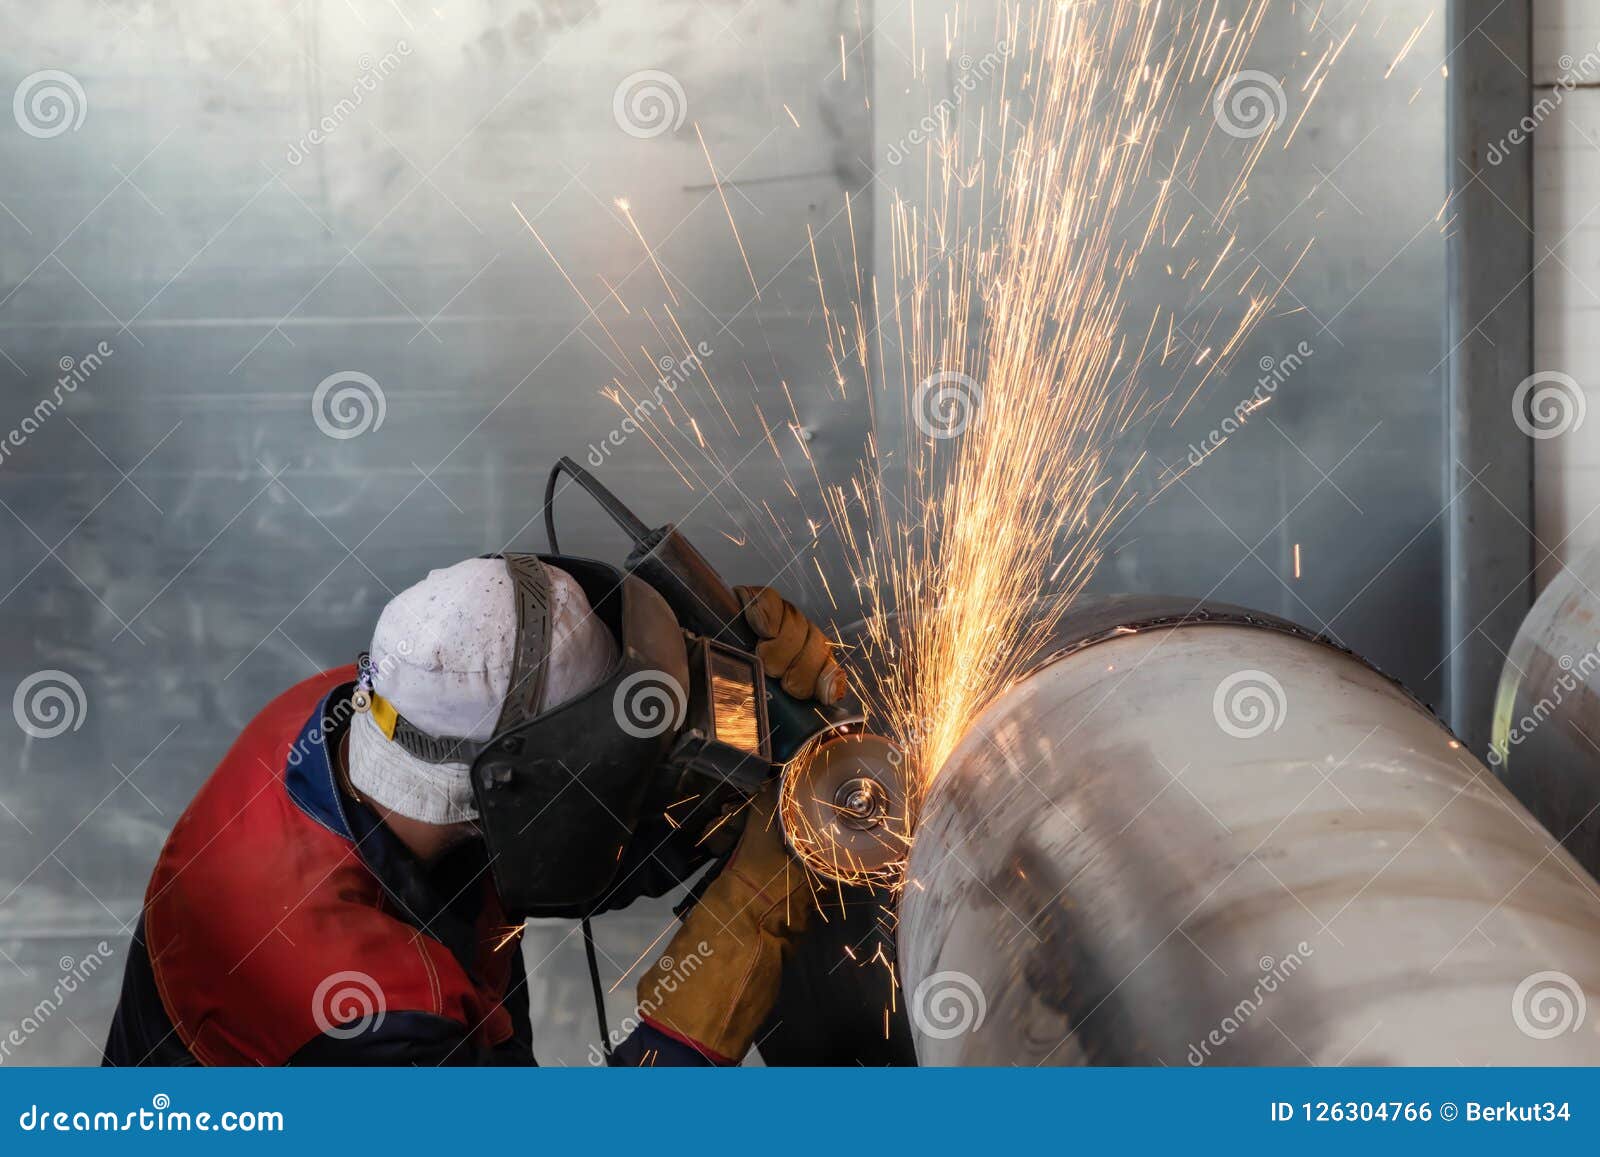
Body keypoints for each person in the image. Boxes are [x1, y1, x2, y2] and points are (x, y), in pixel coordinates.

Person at [101, 555, 843, 1066]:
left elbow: (547, 848)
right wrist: (713, 986)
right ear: (507, 782)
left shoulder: (371, 710)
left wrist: (731, 776)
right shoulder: (378, 1013)